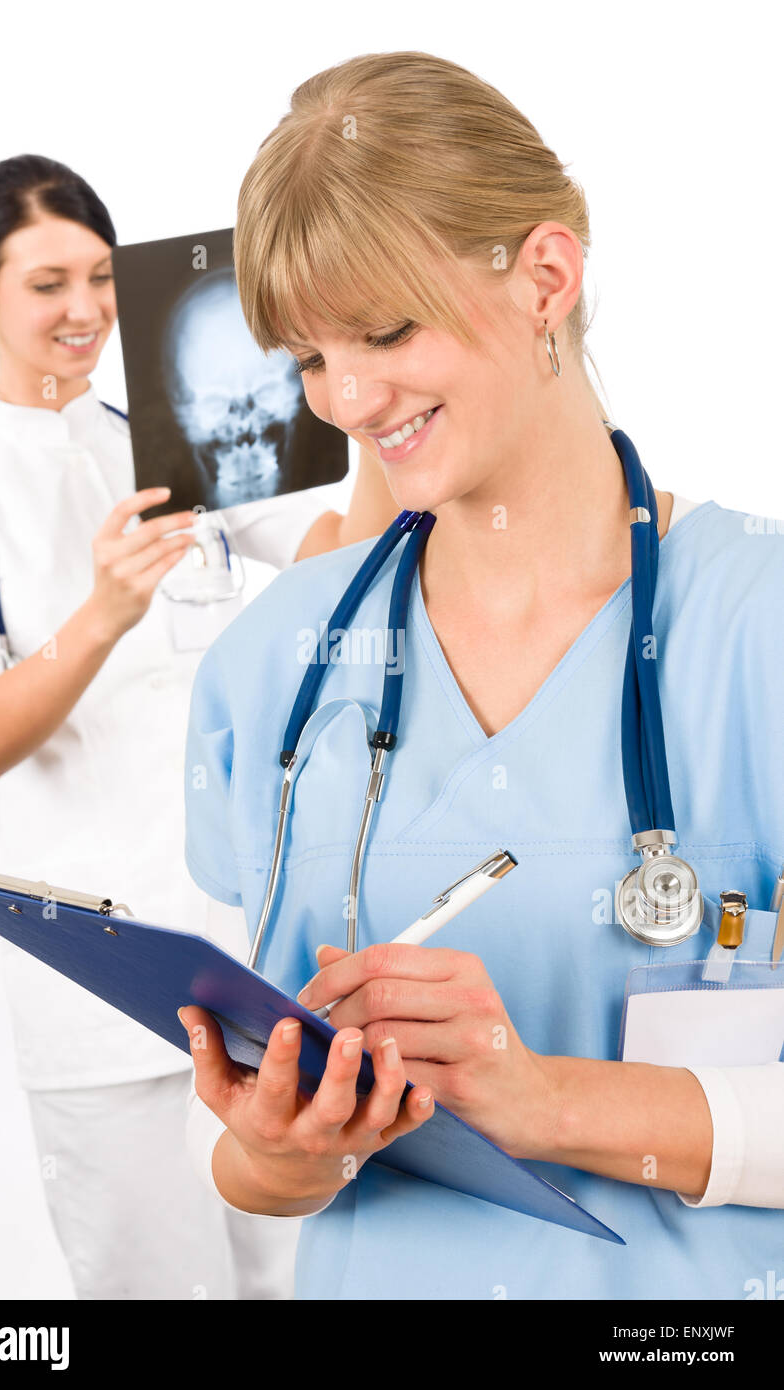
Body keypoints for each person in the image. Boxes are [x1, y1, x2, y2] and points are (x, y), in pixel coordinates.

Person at [179, 51, 784, 1300]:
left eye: (385, 331)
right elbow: (233, 1156)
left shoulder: (753, 628)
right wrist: (281, 1146)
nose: (345, 397)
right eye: (307, 356)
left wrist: (538, 1095)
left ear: (545, 278)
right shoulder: (274, 667)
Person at [0, 154, 398, 1300]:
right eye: (44, 285)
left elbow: (338, 554)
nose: (82, 310)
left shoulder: (182, 430)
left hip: (244, 961)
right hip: (99, 973)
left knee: (301, 1283)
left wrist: (361, 391)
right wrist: (105, 612)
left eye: (97, 277)